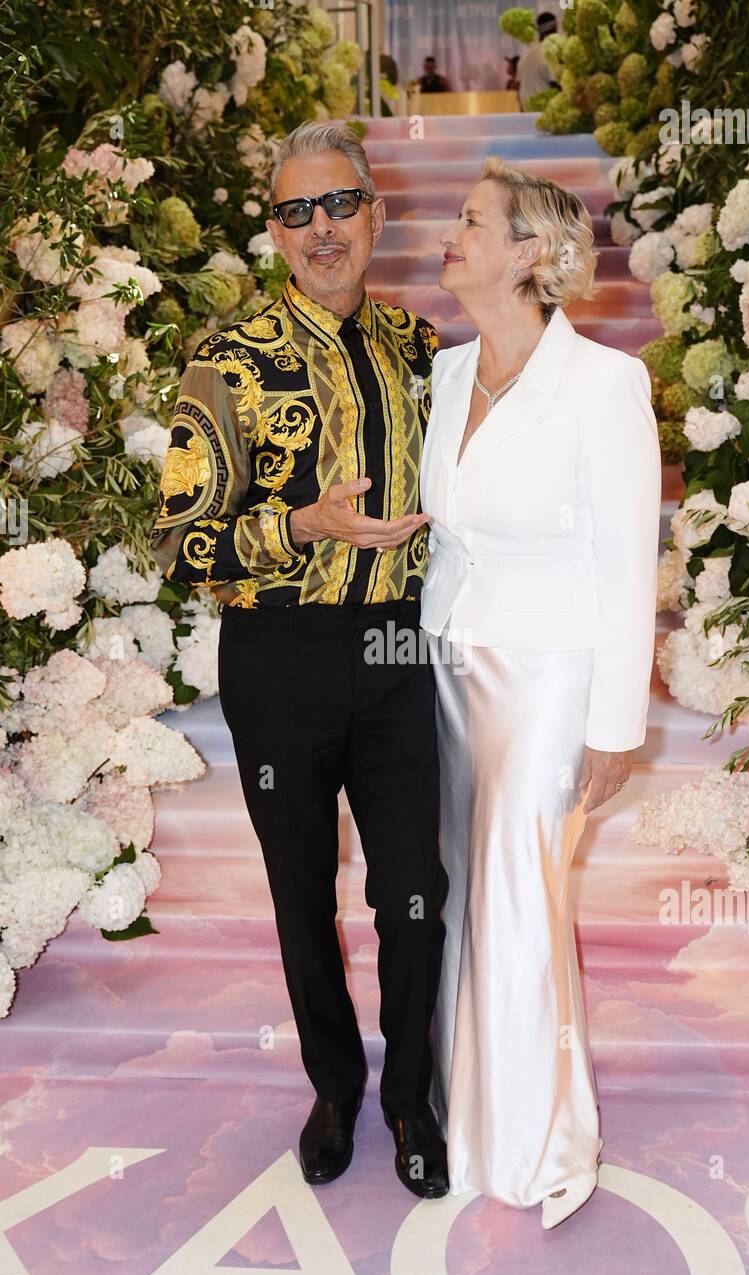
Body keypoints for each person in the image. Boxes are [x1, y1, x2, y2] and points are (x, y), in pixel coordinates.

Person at [148, 121, 450, 1200]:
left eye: (339, 205)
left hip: (399, 648)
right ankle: (334, 1085)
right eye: (295, 211)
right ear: (274, 231)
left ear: (376, 212)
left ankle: (412, 1093)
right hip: (280, 654)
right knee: (301, 889)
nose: (321, 228)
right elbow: (180, 539)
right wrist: (303, 528)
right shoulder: (225, 363)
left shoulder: (420, 347)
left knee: (415, 887)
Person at [419, 156, 661, 1228]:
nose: (448, 235)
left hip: (552, 678)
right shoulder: (446, 373)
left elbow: (626, 563)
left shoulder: (605, 385)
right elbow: (451, 539)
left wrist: (617, 723)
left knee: (522, 900)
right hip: (452, 669)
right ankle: (467, 1113)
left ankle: (534, 1140)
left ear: (527, 252)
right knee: (467, 893)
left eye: (471, 221)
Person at [517, 11, 560, 110]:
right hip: (544, 114)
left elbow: (518, 86)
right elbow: (555, 86)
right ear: (555, 29)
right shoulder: (550, 52)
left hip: (526, 114)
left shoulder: (526, 53)